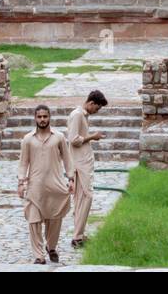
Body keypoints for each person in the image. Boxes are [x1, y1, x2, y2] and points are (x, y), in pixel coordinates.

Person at [17, 104, 75, 265]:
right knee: (33, 220)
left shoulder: (59, 137)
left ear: (49, 117)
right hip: (35, 187)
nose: (42, 119)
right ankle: (38, 255)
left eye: (45, 116)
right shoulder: (28, 139)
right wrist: (21, 182)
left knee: (54, 220)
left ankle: (52, 247)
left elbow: (68, 159)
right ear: (35, 118)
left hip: (55, 186)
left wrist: (71, 179)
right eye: (39, 117)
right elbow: (23, 163)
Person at [66, 89, 108, 248]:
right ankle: (77, 237)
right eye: (96, 108)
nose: (96, 112)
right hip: (80, 163)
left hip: (83, 162)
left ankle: (78, 235)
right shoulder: (77, 115)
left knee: (81, 199)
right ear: (91, 103)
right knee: (87, 197)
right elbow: (73, 139)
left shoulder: (82, 115)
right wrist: (93, 137)